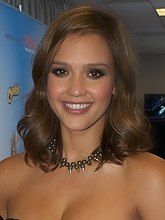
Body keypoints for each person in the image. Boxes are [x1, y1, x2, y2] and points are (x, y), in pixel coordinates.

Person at [0, 5, 165, 220]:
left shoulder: (153, 179)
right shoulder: (7, 176)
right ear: (44, 80)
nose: (76, 90)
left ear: (116, 83)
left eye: (94, 73)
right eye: (61, 71)